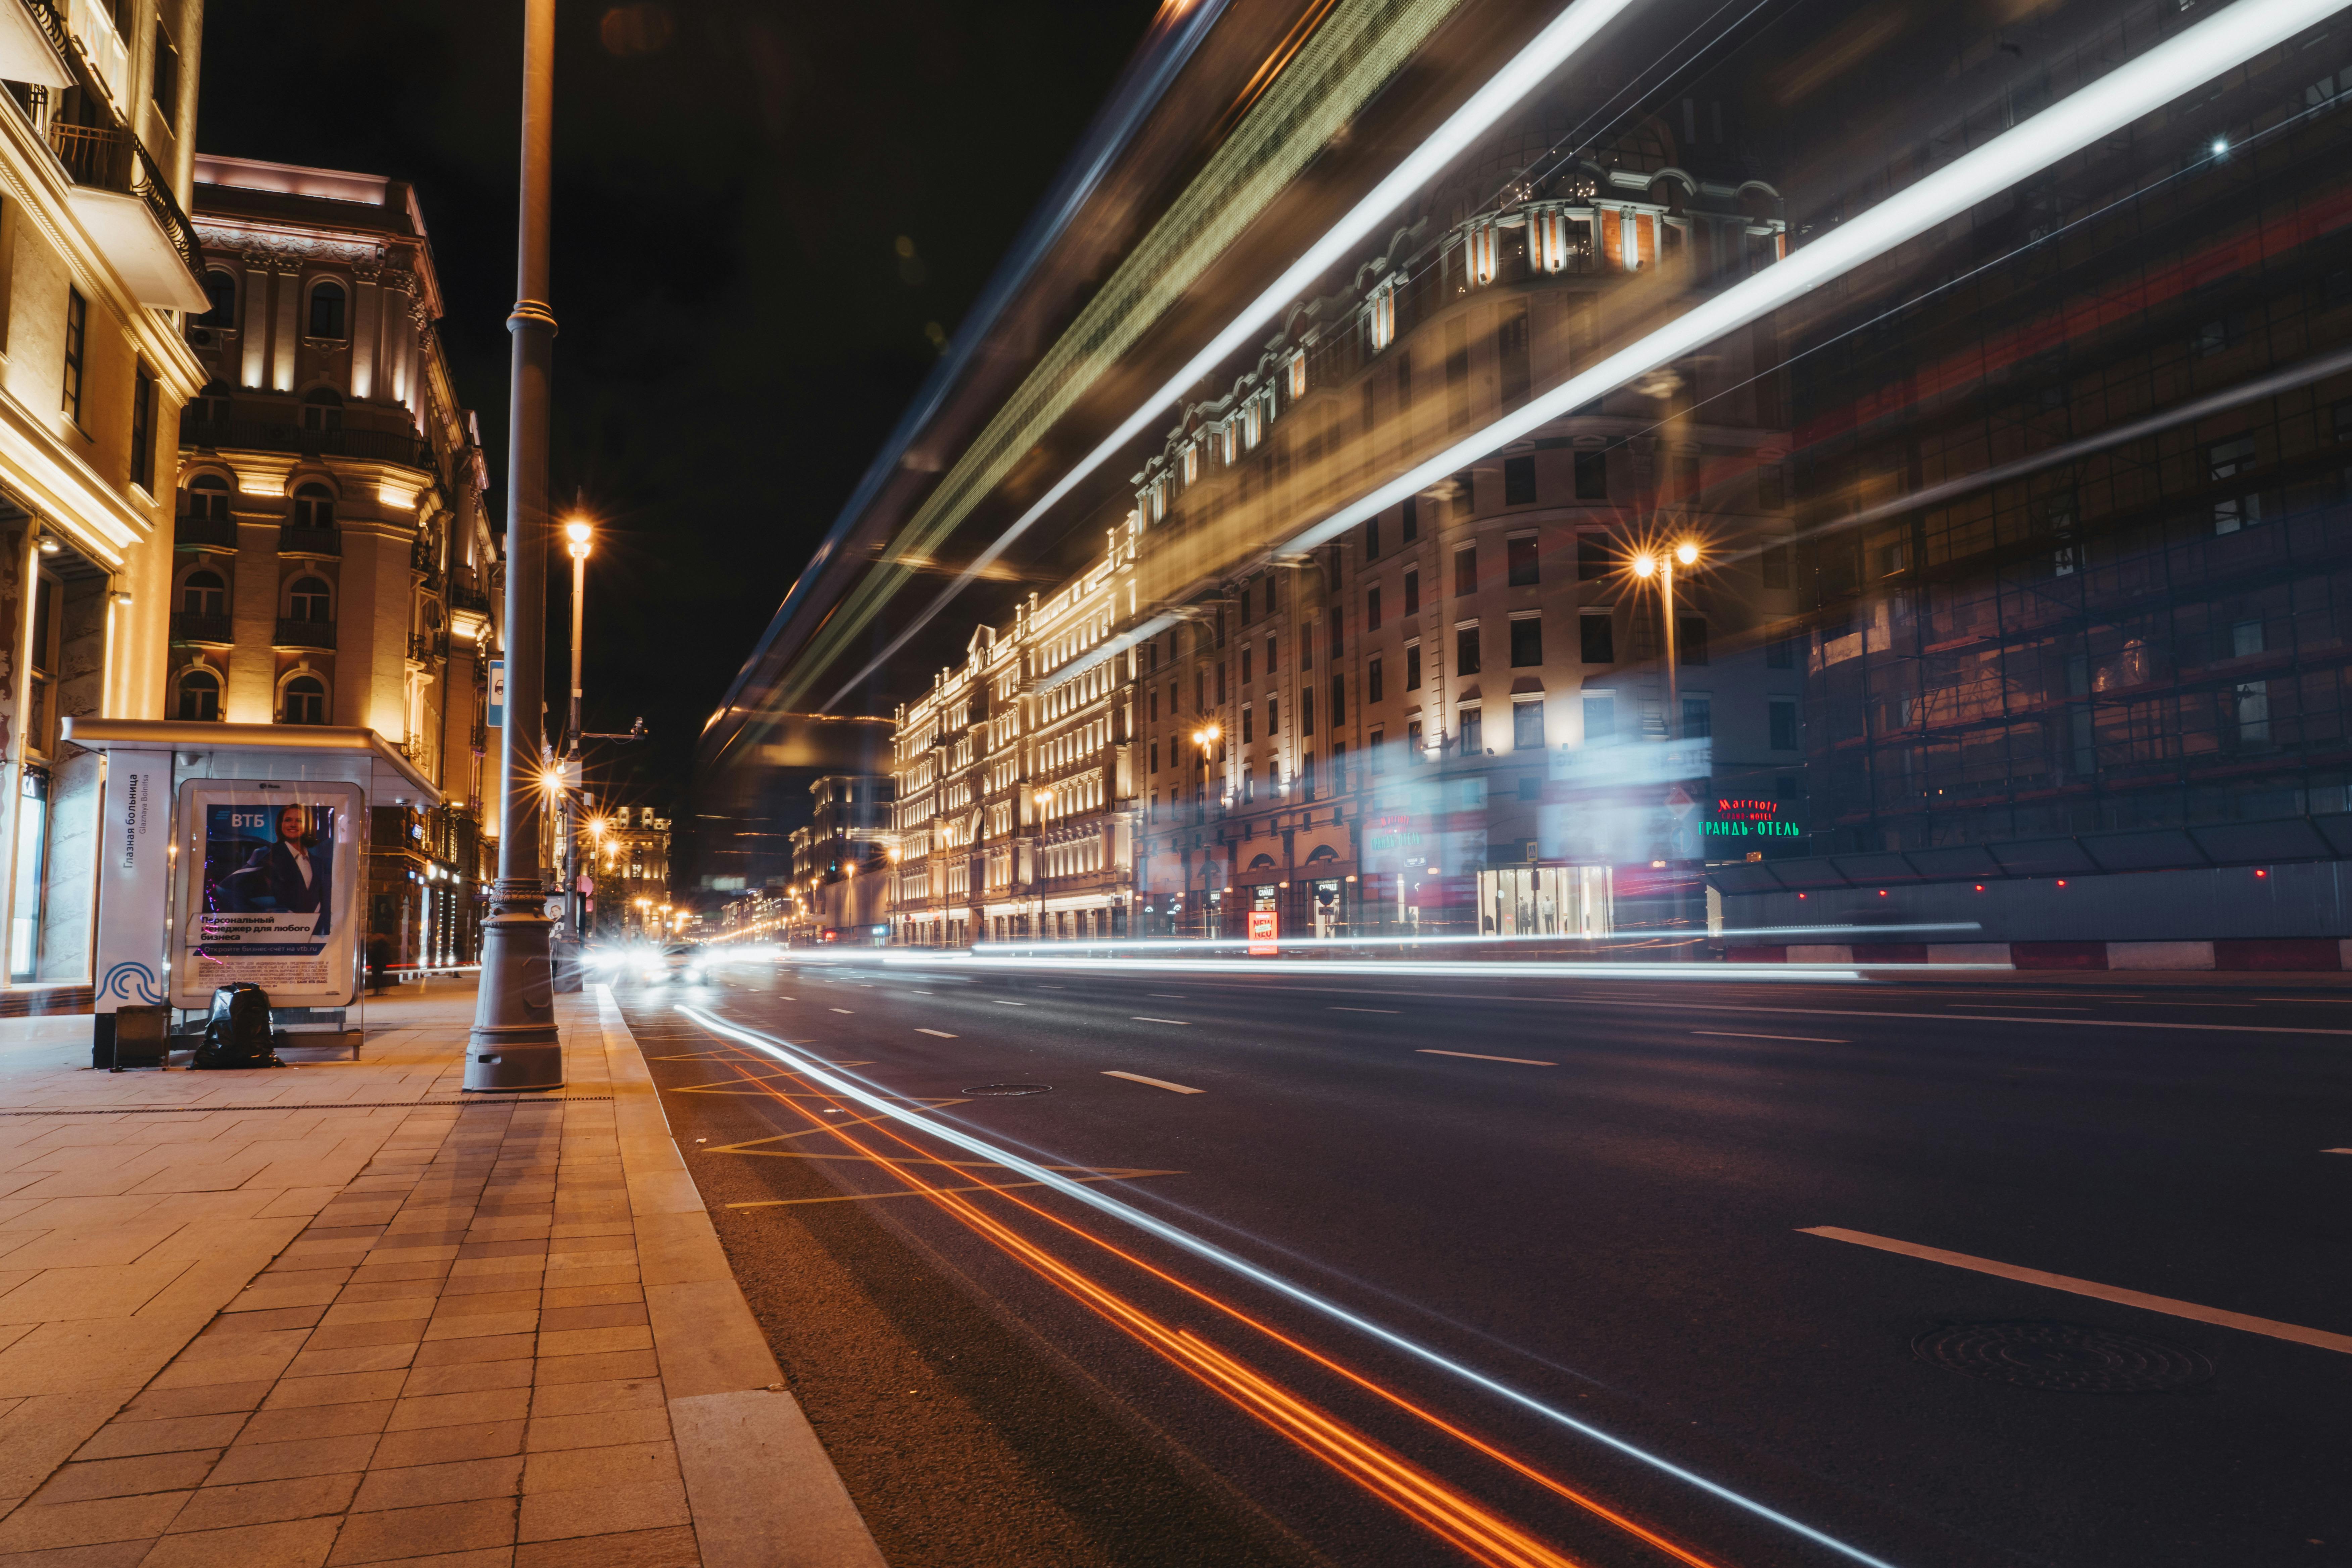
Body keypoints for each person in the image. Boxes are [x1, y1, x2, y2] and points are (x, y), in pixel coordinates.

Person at [264, 804, 333, 934]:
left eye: (299, 821)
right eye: (288, 820)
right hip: (279, 932)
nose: (293, 825)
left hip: (315, 936)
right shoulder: (269, 857)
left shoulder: (319, 863)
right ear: (281, 825)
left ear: (308, 826)